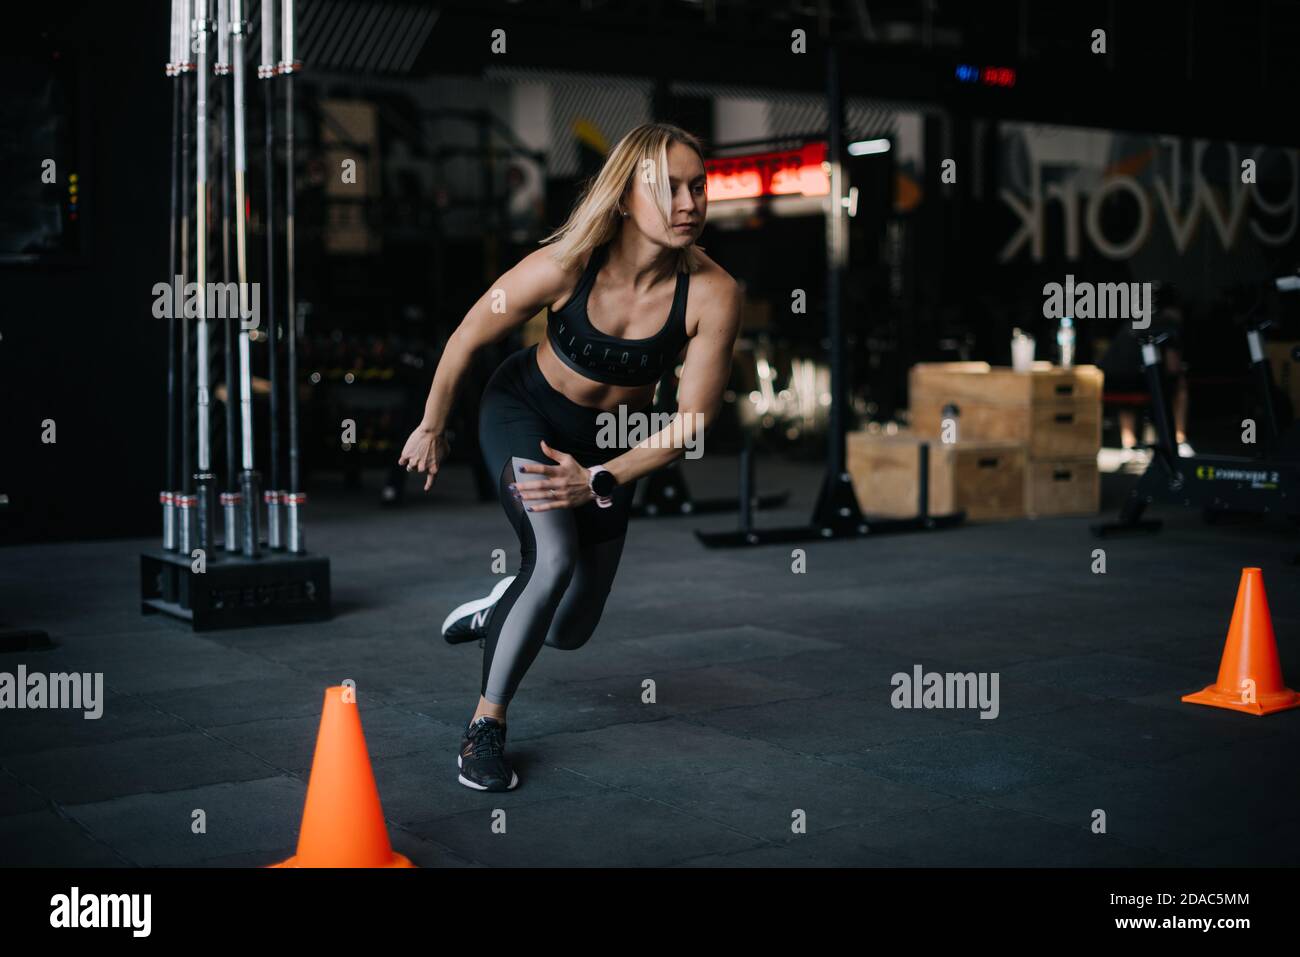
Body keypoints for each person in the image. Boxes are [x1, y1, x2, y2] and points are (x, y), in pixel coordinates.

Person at [398, 123, 741, 791]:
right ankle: (484, 729)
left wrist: (602, 477)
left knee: (573, 628)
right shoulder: (567, 263)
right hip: (527, 411)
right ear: (623, 197)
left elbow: (695, 419)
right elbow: (470, 331)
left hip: (614, 446)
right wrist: (433, 423)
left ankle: (503, 604)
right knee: (550, 557)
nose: (689, 202)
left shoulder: (712, 292)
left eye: (698, 186)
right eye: (668, 188)